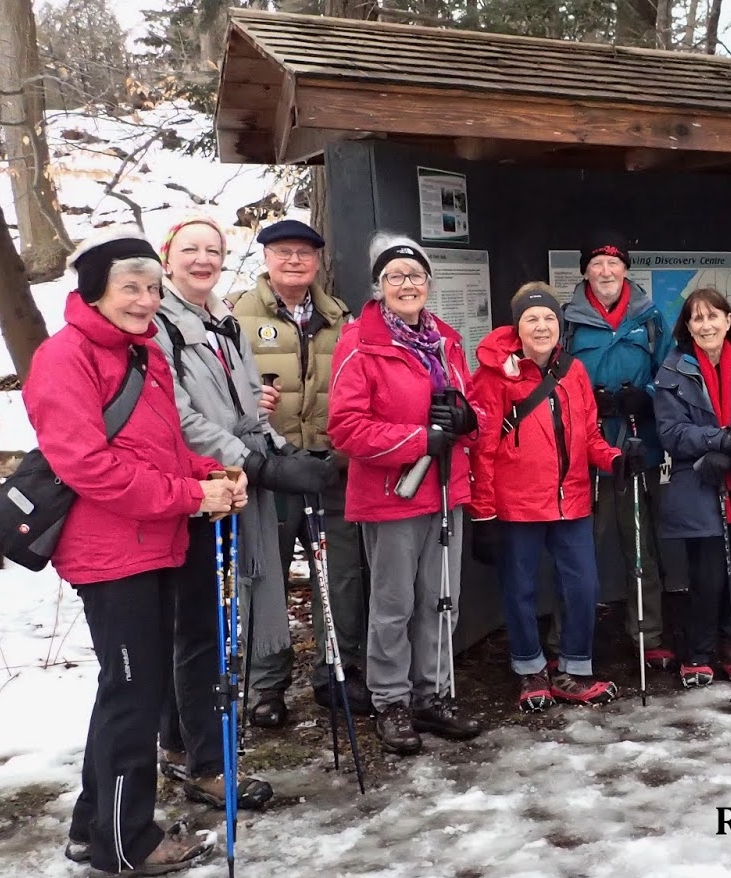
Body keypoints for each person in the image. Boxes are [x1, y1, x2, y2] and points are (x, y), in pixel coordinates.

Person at [26, 227, 242, 878]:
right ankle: (128, 841)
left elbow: (164, 446)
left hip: (153, 543)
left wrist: (212, 470)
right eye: (130, 287)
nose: (146, 299)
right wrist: (188, 494)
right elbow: (90, 466)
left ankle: (93, 831)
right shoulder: (65, 358)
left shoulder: (142, 355)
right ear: (93, 292)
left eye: (152, 288)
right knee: (134, 695)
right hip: (111, 552)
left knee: (125, 690)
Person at [153, 217, 317, 811]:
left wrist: (275, 449)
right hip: (189, 492)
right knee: (196, 630)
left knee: (194, 624)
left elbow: (247, 407)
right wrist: (250, 458)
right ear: (167, 257)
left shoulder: (224, 324)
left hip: (228, 488)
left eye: (214, 250)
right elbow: (178, 418)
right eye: (190, 249)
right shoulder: (158, 326)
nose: (203, 259)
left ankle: (180, 745)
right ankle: (202, 762)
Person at [328, 234, 483, 754]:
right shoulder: (360, 342)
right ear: (379, 286)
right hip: (393, 493)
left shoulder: (446, 340)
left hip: (445, 489)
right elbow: (346, 428)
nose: (408, 285)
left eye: (416, 276)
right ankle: (390, 700)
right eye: (396, 276)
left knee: (442, 601)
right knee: (393, 603)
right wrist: (419, 440)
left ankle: (432, 694)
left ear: (429, 285)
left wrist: (467, 420)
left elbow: (473, 408)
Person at [468, 285, 636, 709]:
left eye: (548, 319)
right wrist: (483, 514)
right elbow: (483, 447)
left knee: (583, 586)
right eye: (532, 319)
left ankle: (574, 670)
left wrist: (613, 459)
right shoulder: (494, 376)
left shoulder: (573, 370)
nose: (541, 327)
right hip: (517, 504)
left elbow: (589, 435)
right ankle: (530, 671)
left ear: (559, 326)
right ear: (517, 326)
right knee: (521, 589)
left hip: (572, 500)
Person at [232, 219, 370, 722]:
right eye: (283, 252)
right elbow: (216, 393)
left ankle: (338, 672)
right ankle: (265, 687)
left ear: (317, 262)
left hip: (332, 463)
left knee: (341, 575)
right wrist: (248, 403)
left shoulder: (341, 318)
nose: (294, 261)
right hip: (271, 467)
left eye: (304, 253)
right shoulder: (234, 317)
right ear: (266, 258)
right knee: (264, 575)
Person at [559, 232, 675, 671]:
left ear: (625, 269)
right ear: (585, 270)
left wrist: (644, 396)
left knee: (640, 542)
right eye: (597, 264)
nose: (606, 272)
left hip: (633, 441)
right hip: (582, 446)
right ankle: (569, 639)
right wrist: (587, 399)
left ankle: (648, 634)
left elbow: (667, 370)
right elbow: (552, 374)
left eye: (614, 263)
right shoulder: (567, 319)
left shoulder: (649, 317)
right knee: (578, 548)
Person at [654, 288, 731, 686]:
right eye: (697, 318)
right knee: (707, 578)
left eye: (714, 316)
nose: (706, 325)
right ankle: (699, 651)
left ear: (729, 321)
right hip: (700, 484)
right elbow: (671, 432)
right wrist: (720, 441)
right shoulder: (672, 372)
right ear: (687, 327)